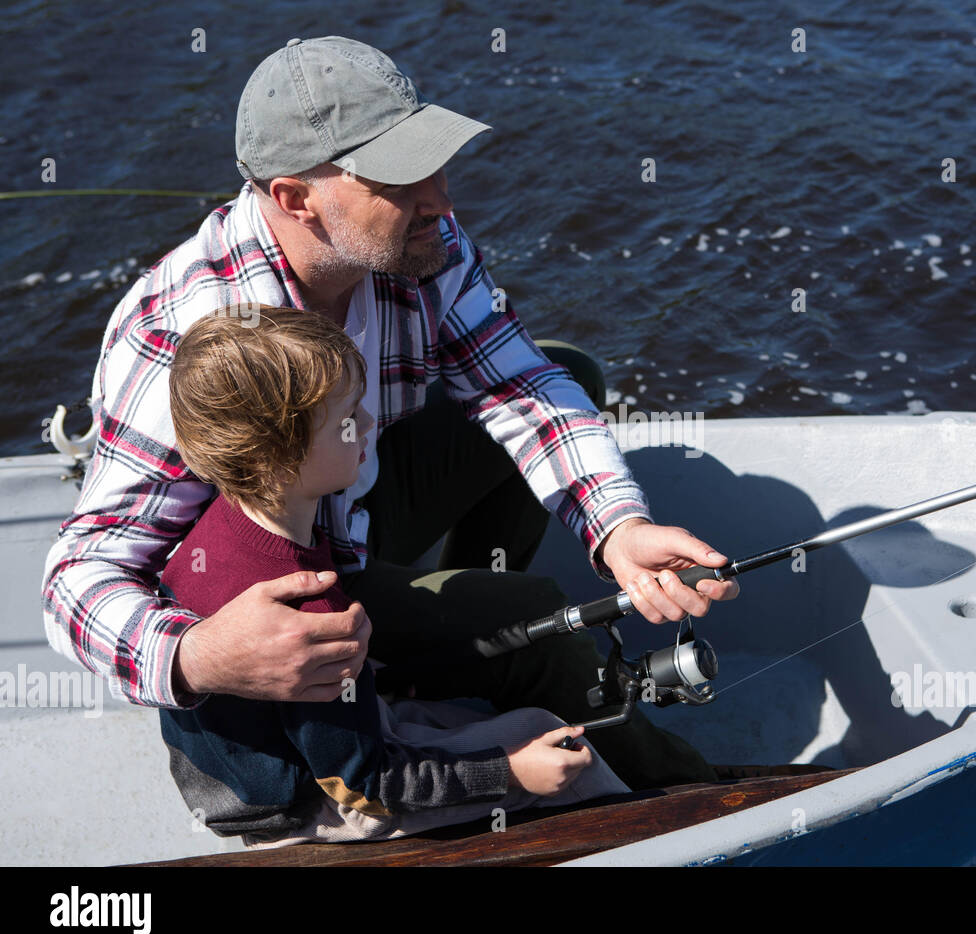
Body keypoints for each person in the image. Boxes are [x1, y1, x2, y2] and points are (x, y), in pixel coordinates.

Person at [42, 34, 742, 792]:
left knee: (566, 372)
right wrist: (200, 655)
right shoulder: (186, 336)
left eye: (434, 161)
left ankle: (435, 661)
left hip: (352, 503)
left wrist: (618, 529)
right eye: (398, 178)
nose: (441, 198)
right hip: (287, 572)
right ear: (293, 198)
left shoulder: (420, 242)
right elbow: (80, 575)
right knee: (532, 623)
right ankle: (689, 797)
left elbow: (519, 389)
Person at [159, 305, 627, 846]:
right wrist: (510, 774)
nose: (370, 422)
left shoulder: (209, 533)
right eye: (348, 418)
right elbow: (364, 786)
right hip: (310, 807)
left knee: (467, 718)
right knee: (546, 739)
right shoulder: (311, 619)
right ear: (279, 453)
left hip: (240, 783)